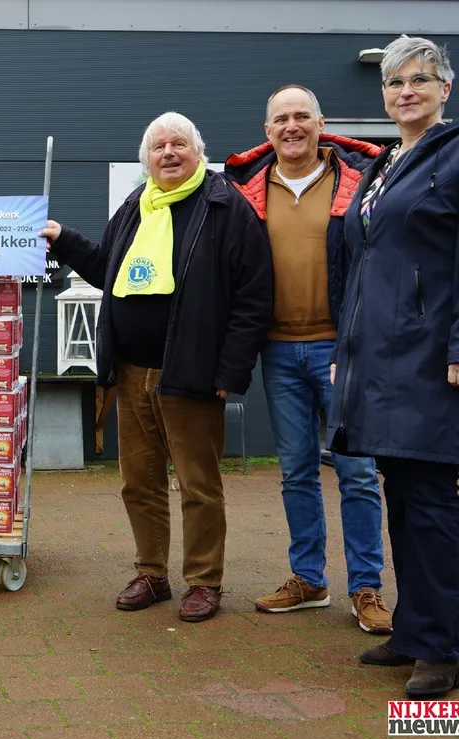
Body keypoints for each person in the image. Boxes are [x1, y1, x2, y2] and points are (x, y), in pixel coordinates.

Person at [40, 112, 273, 622]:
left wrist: (231, 371)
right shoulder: (135, 206)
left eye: (178, 144)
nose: (168, 153)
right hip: (131, 369)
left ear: (198, 151)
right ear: (147, 158)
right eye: (159, 146)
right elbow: (110, 269)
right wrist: (63, 237)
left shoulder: (225, 206)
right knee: (138, 481)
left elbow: (253, 296)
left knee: (198, 484)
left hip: (189, 372)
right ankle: (151, 572)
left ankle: (204, 581)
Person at [224, 86, 391, 634]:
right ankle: (308, 579)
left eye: (301, 117)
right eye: (281, 119)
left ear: (321, 124)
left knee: (358, 472)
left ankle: (366, 586)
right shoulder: (247, 187)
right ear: (267, 131)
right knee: (296, 471)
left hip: (341, 349)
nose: (291, 126)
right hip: (277, 350)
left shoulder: (359, 180)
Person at [328, 36, 459, 697]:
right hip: (379, 364)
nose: (405, 90)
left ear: (446, 87)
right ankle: (414, 631)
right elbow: (360, 264)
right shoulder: (383, 164)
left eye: (419, 79)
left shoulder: (455, 156)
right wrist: (343, 353)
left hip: (431, 362)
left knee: (432, 503)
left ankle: (442, 648)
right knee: (404, 502)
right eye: (394, 82)